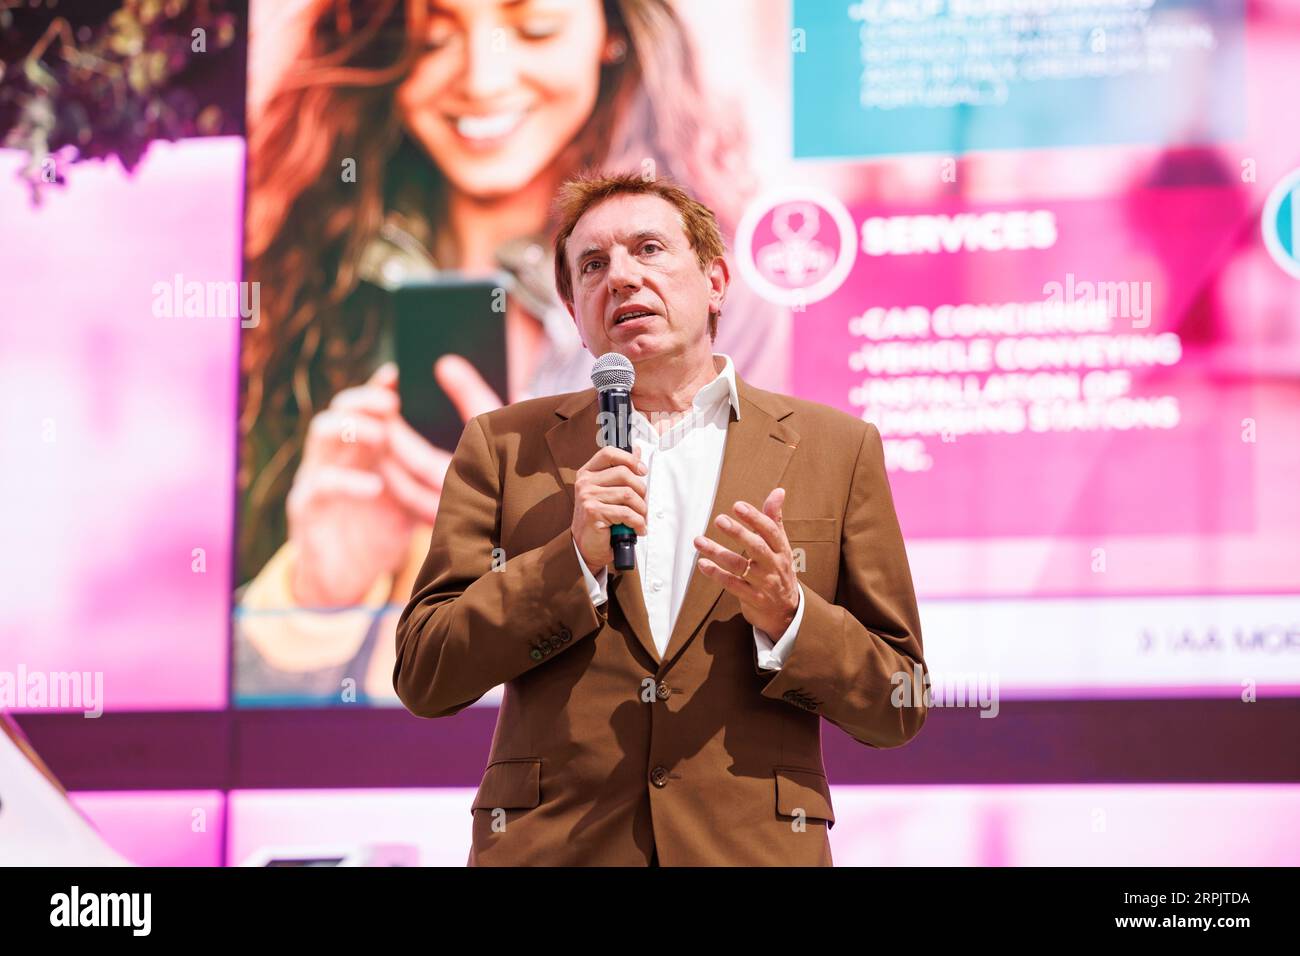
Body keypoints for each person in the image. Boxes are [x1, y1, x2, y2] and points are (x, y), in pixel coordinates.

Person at [235, 0, 788, 701]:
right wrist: (313, 597)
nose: (484, 79)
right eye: (432, 38)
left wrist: (514, 536)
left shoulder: (720, 302)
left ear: (612, 32)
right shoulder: (288, 278)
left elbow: (717, 660)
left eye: (535, 28)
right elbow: (216, 714)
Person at [393, 172, 927, 866]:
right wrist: (571, 563)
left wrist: (792, 617)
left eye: (648, 250)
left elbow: (899, 700)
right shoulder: (502, 447)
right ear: (574, 311)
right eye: (593, 265)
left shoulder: (837, 449)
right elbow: (426, 673)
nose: (619, 277)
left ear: (715, 282)